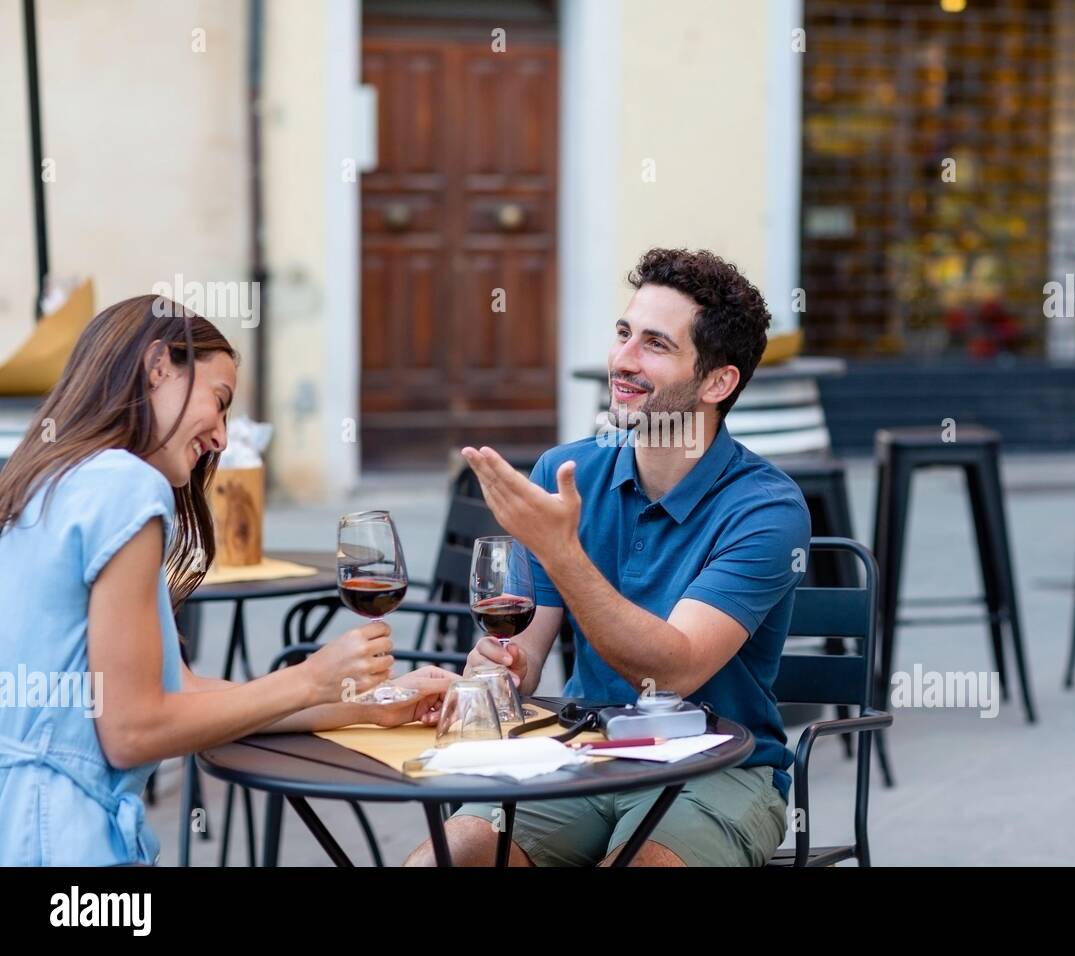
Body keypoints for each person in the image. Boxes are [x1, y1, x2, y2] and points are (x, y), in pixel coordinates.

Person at [0, 296, 454, 866]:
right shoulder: (126, 487)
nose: (220, 437)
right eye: (219, 402)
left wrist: (360, 703)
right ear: (158, 365)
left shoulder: (48, 479)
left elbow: (182, 696)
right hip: (65, 843)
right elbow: (134, 730)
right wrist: (312, 678)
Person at [405, 248, 811, 867]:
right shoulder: (569, 473)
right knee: (446, 859)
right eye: (624, 334)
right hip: (583, 754)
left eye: (655, 344)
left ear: (717, 381)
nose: (622, 360)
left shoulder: (766, 509)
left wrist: (561, 550)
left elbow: (673, 670)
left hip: (720, 771)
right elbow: (525, 657)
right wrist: (494, 672)